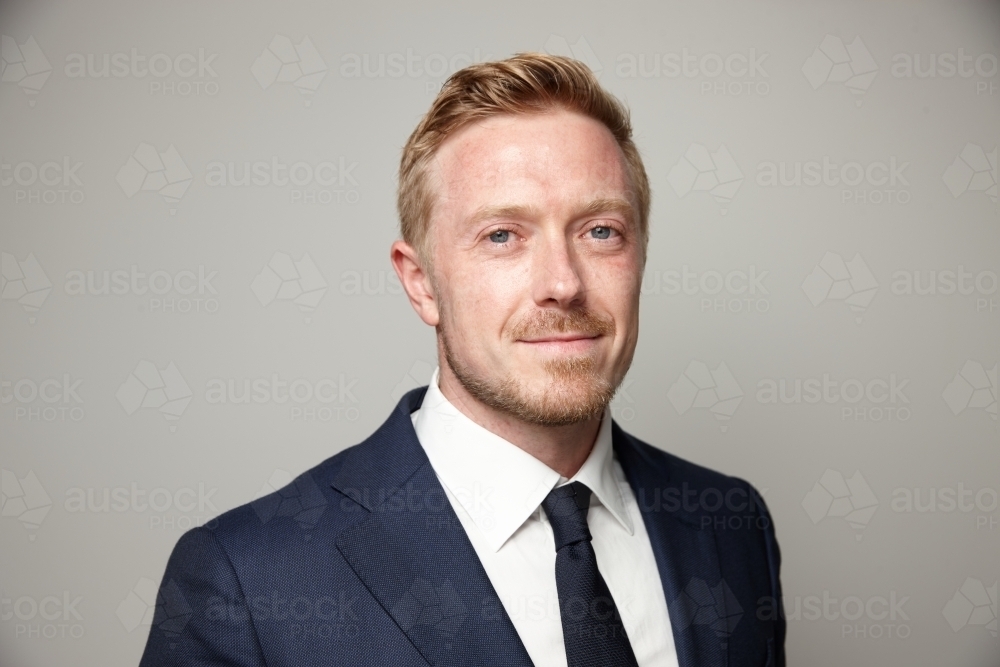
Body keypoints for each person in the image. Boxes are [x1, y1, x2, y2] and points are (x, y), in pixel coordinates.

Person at [139, 53, 784, 667]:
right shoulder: (246, 582)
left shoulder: (729, 523)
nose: (562, 283)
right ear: (421, 284)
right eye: (502, 235)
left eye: (600, 231)